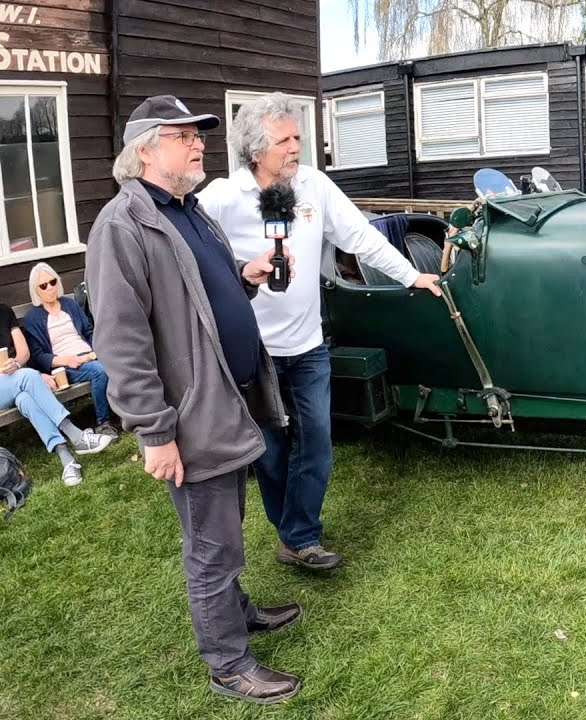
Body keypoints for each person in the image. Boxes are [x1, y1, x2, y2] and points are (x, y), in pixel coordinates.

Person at [85, 94, 303, 705]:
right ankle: (228, 663)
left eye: (198, 135)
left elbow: (200, 294)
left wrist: (245, 277)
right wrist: (154, 432)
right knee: (211, 545)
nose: (199, 143)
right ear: (147, 149)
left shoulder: (189, 211)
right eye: (184, 136)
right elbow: (121, 339)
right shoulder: (123, 225)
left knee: (226, 524)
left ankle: (238, 614)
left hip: (227, 400)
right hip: (188, 413)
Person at [198, 92, 441, 572]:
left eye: (297, 137)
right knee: (268, 453)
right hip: (254, 353)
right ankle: (295, 536)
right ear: (254, 148)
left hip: (309, 345)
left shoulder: (314, 185)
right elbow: (190, 254)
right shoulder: (222, 198)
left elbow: (361, 236)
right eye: (284, 140)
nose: (295, 147)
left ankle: (299, 536)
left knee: (318, 443)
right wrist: (242, 269)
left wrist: (411, 274)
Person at [0, 302, 112, 485]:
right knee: (29, 377)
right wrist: (31, 374)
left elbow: (23, 352)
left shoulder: (4, 311)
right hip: (10, 383)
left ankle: (66, 459)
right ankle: (75, 435)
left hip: (13, 379)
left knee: (25, 399)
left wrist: (17, 365)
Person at [22, 263, 118, 438]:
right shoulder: (32, 318)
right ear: (36, 290)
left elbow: (88, 331)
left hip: (89, 355)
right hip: (65, 365)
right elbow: (38, 355)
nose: (50, 288)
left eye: (52, 282)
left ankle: (127, 410)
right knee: (100, 371)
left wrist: (99, 349)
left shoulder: (69, 304)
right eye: (44, 285)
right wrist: (66, 360)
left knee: (118, 360)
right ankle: (103, 423)